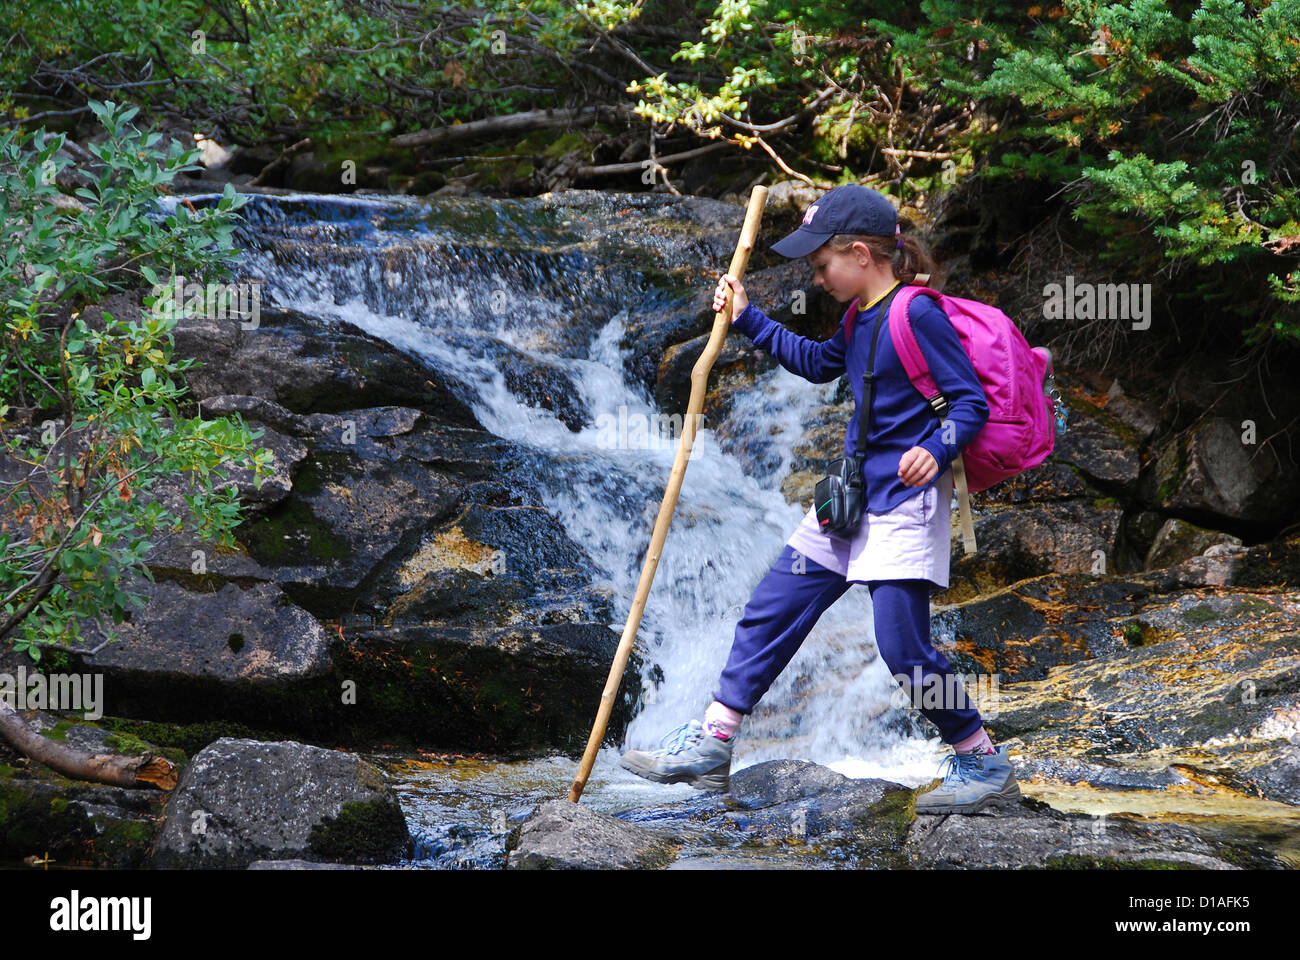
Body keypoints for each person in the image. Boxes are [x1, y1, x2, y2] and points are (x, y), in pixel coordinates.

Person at [618, 184, 1021, 815]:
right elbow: (815, 362)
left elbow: (969, 402)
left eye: (820, 263)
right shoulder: (859, 317)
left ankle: (982, 760)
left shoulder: (917, 314)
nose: (817, 275)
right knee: (771, 608)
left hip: (905, 502)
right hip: (849, 500)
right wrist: (746, 316)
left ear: (860, 253)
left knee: (903, 648)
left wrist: (937, 450)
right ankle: (712, 744)